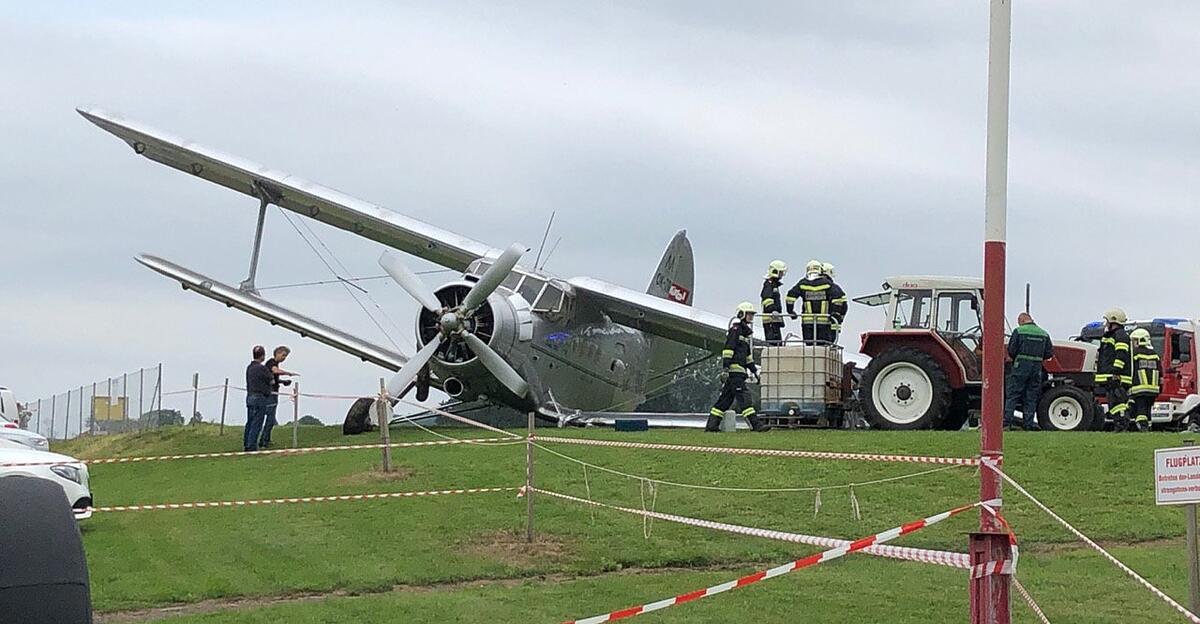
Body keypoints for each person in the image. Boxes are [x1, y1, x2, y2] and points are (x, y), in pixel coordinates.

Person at [707, 302, 767, 432]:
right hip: (734, 372)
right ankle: (756, 425)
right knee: (745, 398)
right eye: (749, 314)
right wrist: (726, 368)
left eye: (752, 314)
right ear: (742, 314)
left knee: (724, 401)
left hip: (739, 372)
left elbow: (748, 358)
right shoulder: (736, 330)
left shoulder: (745, 334)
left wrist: (755, 372)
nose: (751, 316)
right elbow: (728, 349)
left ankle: (711, 426)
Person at [1003, 313, 1053, 431]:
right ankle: (1028, 424)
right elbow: (1049, 353)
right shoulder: (1044, 333)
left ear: (1021, 320)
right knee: (1031, 396)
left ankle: (1006, 423)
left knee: (1013, 395)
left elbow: (1011, 350)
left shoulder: (1019, 331)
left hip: (1020, 367)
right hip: (1036, 368)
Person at [786, 260, 846, 345]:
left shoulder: (802, 284)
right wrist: (835, 313)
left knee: (810, 348)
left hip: (807, 323)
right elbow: (839, 299)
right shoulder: (828, 284)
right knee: (822, 348)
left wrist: (791, 311)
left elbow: (790, 297)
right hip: (824, 322)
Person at [1095, 308, 1133, 432]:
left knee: (1119, 404)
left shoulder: (1120, 336)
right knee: (1114, 404)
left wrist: (1116, 372)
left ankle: (1121, 426)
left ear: (1113, 321)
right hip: (1111, 376)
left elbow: (1121, 354)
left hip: (1117, 377)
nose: (1105, 324)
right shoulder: (1111, 336)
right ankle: (1119, 425)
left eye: (1107, 321)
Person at [259, 346, 299, 448]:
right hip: (271, 393)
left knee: (271, 418)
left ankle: (266, 439)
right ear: (277, 353)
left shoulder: (274, 363)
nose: (284, 358)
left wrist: (282, 381)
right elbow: (275, 371)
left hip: (273, 391)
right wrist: (288, 373)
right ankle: (264, 441)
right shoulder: (271, 363)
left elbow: (273, 377)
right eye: (283, 355)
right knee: (270, 418)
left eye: (286, 356)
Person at [1129, 328, 1160, 433]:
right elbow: (1161, 372)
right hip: (1153, 389)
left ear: (1139, 340)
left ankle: (1143, 427)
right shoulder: (1154, 355)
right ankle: (1149, 427)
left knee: (1140, 409)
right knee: (1148, 410)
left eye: (1134, 341)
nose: (1132, 343)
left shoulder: (1135, 354)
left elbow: (1131, 370)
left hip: (1139, 388)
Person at [244, 345, 273, 452]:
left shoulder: (249, 368)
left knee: (250, 422)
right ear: (263, 356)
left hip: (250, 396)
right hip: (260, 397)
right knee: (257, 423)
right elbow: (271, 380)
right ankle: (252, 446)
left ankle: (247, 444)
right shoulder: (262, 368)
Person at [760, 260, 788, 345]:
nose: (782, 275)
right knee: (774, 345)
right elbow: (767, 300)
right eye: (781, 273)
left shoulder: (774, 285)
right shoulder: (769, 284)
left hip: (774, 320)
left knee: (778, 344)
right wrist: (773, 310)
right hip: (770, 321)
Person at [821, 262, 848, 342]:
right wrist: (839, 320)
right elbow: (844, 307)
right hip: (831, 325)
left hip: (817, 326)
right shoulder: (835, 288)